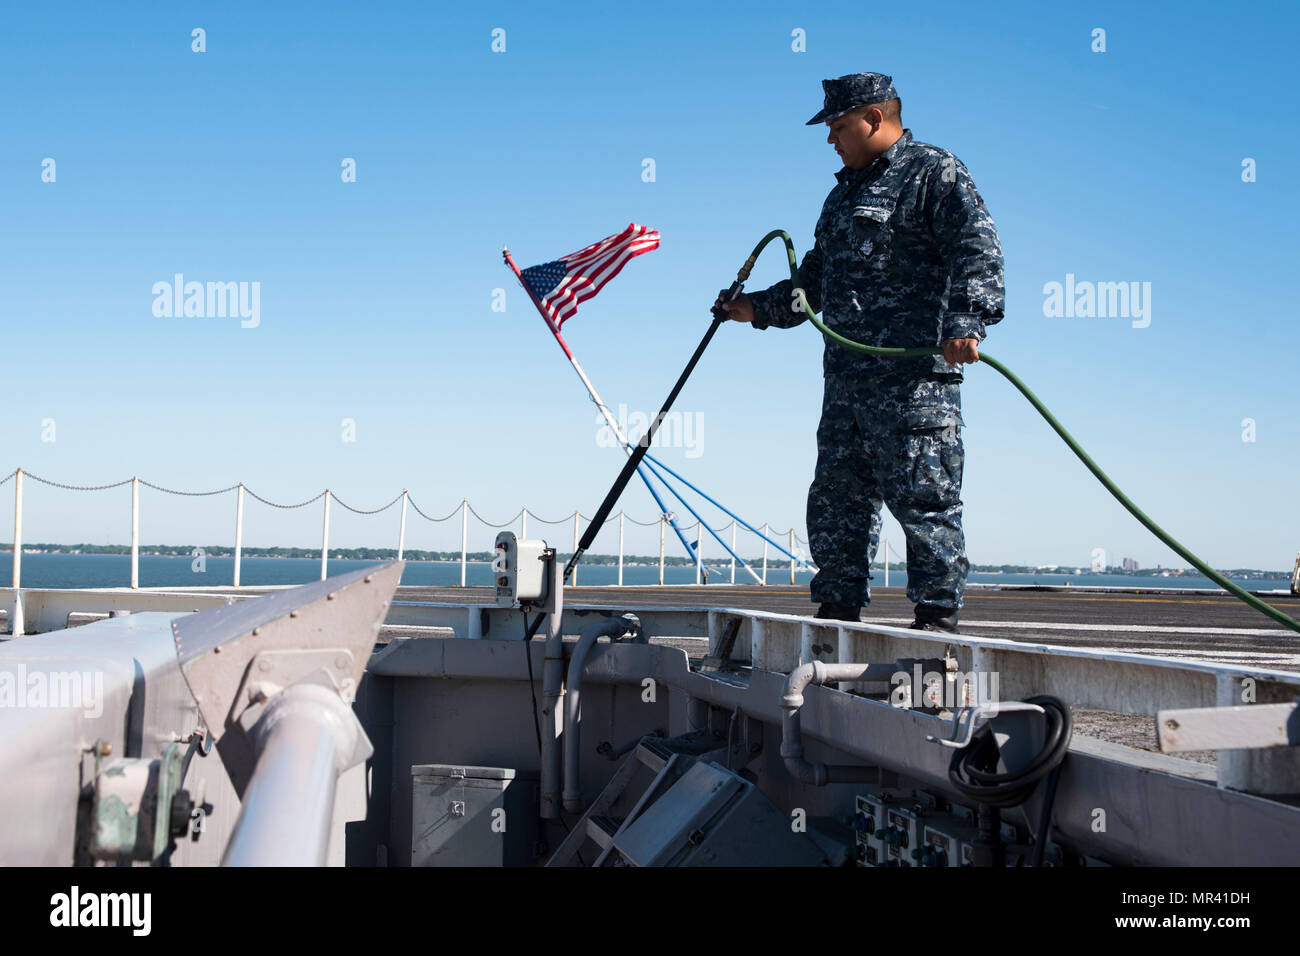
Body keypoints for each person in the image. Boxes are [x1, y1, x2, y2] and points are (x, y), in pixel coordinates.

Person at [713, 73, 1004, 633]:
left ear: (874, 118)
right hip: (846, 384)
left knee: (925, 499)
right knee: (837, 499)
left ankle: (937, 620)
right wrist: (754, 308)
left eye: (838, 126)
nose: (831, 140)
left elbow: (976, 244)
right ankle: (838, 612)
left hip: (913, 382)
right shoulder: (842, 193)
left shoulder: (933, 172)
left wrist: (968, 318)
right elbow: (816, 282)